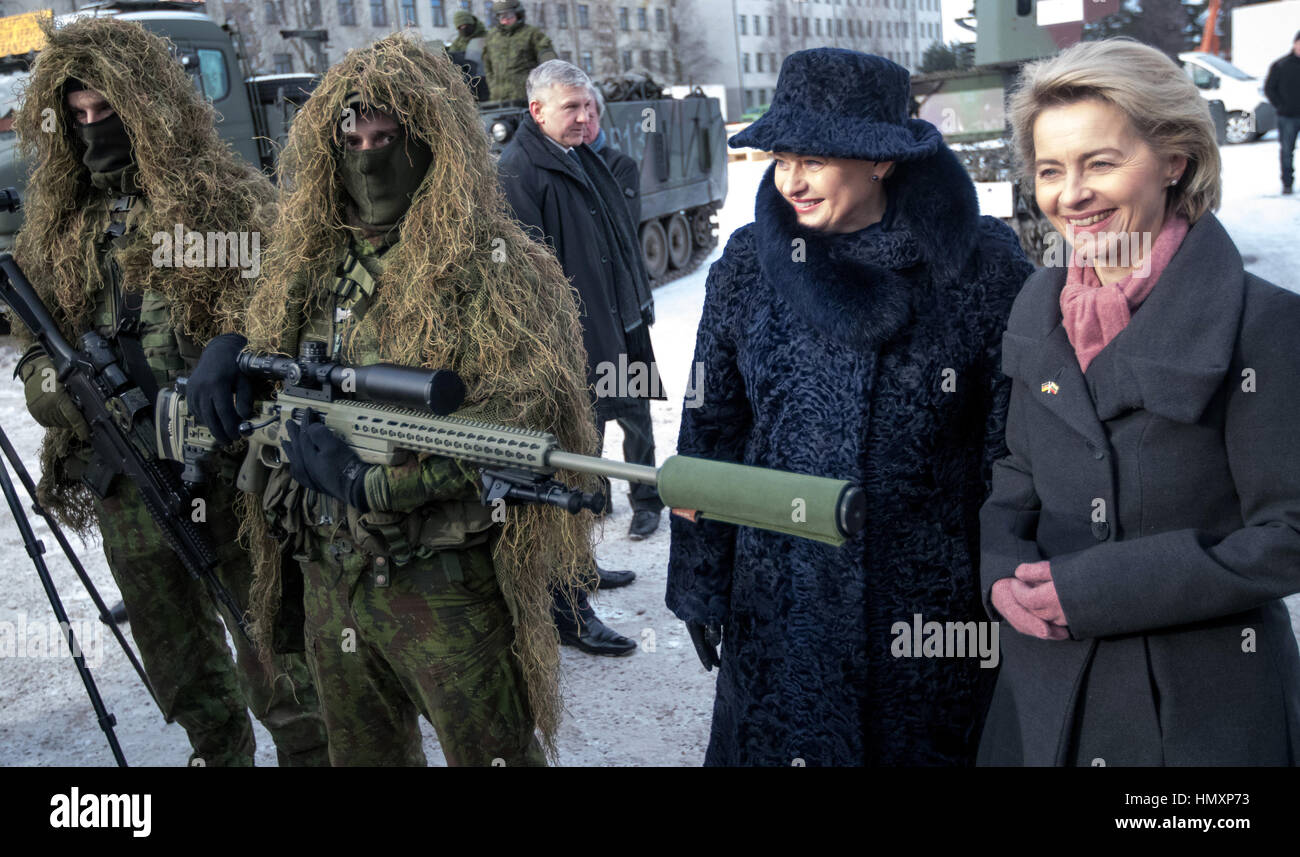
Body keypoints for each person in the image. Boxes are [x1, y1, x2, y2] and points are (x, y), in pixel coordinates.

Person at [187, 36, 600, 765]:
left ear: (431, 141)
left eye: (389, 138)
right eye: (354, 138)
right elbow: (273, 364)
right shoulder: (307, 260)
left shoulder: (496, 266)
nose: (370, 156)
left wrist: (369, 481)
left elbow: (514, 428)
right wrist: (231, 350)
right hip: (328, 583)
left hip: (441, 586)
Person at [666, 48, 1034, 766]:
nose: (791, 180)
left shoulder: (982, 266)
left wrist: (1002, 590)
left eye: (816, 158)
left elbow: (1009, 451)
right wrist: (702, 580)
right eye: (781, 157)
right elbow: (709, 430)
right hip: (781, 602)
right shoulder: (748, 264)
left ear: (882, 161)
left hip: (926, 611)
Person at [11, 16, 328, 766]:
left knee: (274, 655)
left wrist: (240, 345)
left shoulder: (224, 199)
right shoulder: (59, 225)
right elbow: (32, 347)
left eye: (107, 112)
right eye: (78, 116)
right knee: (177, 660)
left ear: (146, 105)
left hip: (223, 468)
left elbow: (296, 311)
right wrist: (60, 392)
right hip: (123, 479)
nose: (93, 130)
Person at [980, 38, 1300, 766]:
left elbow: (1289, 533)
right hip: (1043, 702)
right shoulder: (1037, 307)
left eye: (1101, 162)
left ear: (1175, 160)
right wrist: (1000, 570)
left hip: (1201, 715)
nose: (1071, 194)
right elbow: (1015, 477)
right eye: (1052, 170)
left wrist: (1101, 589)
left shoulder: (1265, 323)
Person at [498, 60, 660, 656]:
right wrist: (556, 363)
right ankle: (568, 608)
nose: (586, 117)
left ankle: (582, 571)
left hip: (617, 330)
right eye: (572, 108)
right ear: (537, 111)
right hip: (572, 355)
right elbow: (526, 285)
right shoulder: (520, 172)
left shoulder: (583, 156)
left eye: (589, 106)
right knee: (567, 475)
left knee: (592, 462)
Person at [585, 86, 642, 224]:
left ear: (600, 118)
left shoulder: (620, 166)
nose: (583, 123)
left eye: (590, 117)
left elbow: (624, 225)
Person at [482, 0, 557, 102]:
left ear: (518, 14)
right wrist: (493, 85)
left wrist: (549, 76)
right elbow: (487, 65)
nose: (505, 20)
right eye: (501, 16)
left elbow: (547, 54)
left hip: (525, 96)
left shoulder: (532, 34)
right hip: (498, 98)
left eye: (508, 15)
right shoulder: (492, 37)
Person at [1264, 30, 1300, 195]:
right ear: (1295, 44)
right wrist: (1281, 105)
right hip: (1287, 117)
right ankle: (1287, 183)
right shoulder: (1281, 65)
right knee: (1287, 152)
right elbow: (1269, 88)